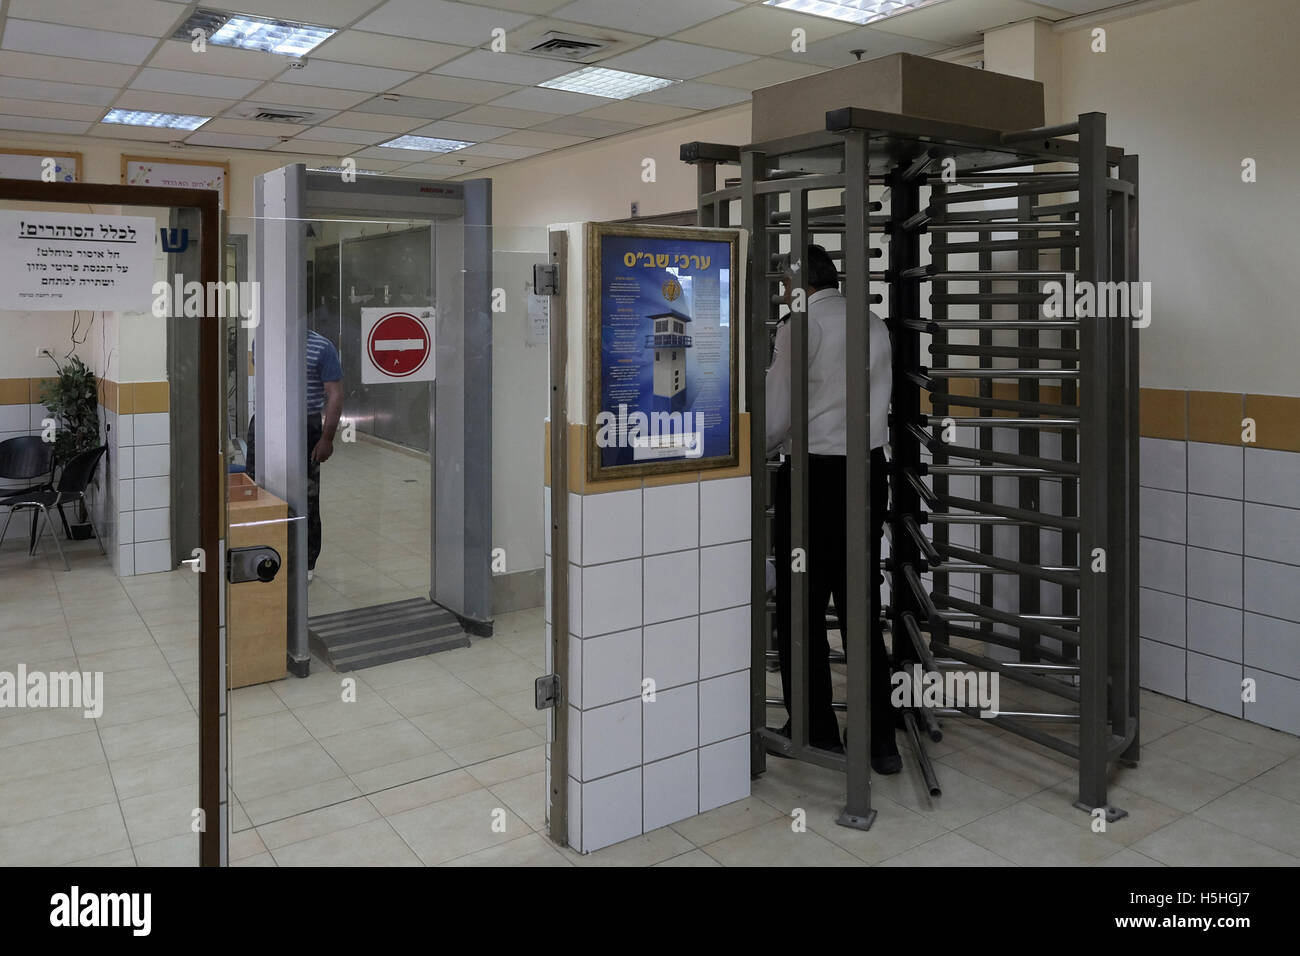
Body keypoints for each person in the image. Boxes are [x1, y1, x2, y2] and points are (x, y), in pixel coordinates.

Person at [766, 244, 900, 773]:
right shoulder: (870, 321)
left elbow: (778, 414)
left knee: (802, 607)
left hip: (813, 478)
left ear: (795, 285)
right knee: (860, 606)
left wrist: (754, 446)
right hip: (867, 472)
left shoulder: (798, 326)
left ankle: (814, 728)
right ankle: (880, 740)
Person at [244, 327, 344, 582]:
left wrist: (327, 438)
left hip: (304, 426)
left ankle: (306, 562)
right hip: (266, 421)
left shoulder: (322, 346)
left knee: (306, 498)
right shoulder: (262, 341)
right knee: (258, 491)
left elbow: (335, 393)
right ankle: (263, 552)